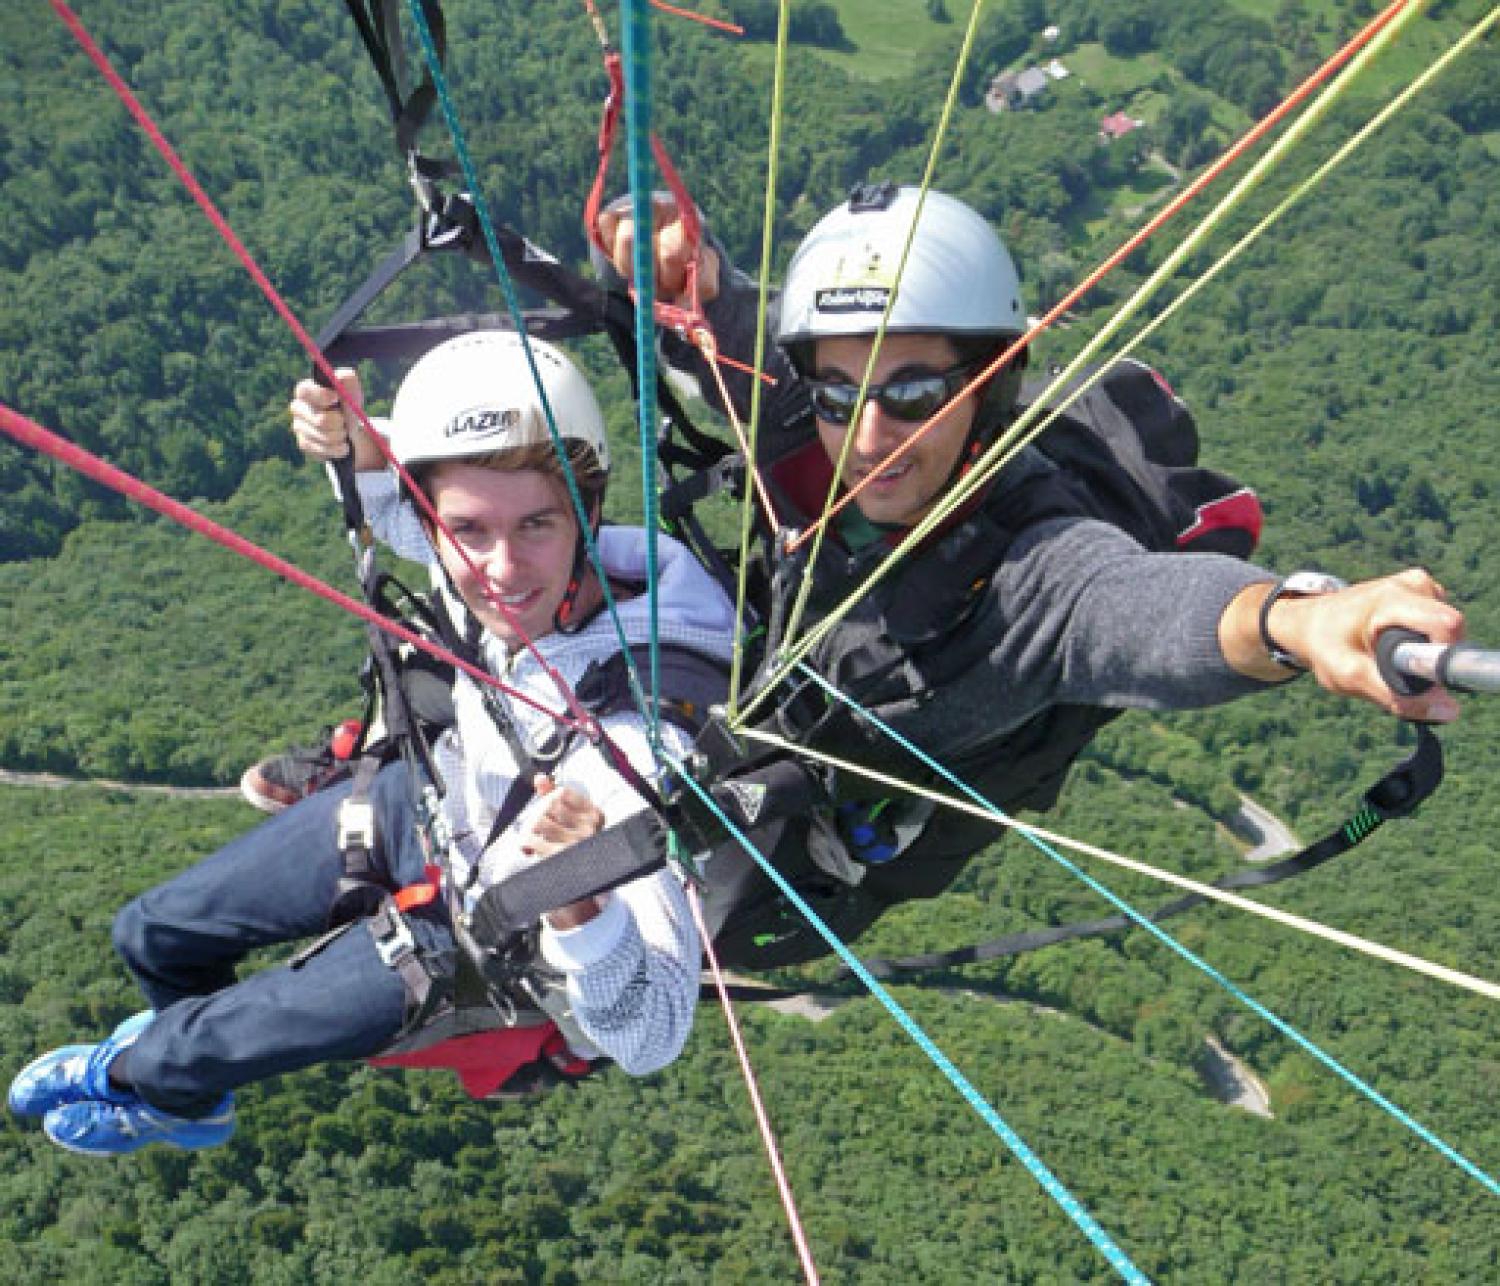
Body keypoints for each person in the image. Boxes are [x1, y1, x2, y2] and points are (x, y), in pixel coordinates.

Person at [593, 182, 1465, 966]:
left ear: (987, 387)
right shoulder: (829, 427)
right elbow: (737, 340)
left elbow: (1141, 613)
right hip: (750, 709)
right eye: (839, 395)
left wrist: (1299, 621)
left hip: (795, 865)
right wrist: (681, 274)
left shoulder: (1034, 577)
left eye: (912, 396)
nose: (867, 438)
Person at [8, 331, 734, 1153]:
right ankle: (192, 1074)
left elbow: (652, 1034)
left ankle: (165, 1078)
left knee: (164, 1053)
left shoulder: (635, 739)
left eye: (537, 523)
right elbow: (400, 508)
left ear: (586, 511)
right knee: (150, 933)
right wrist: (356, 445)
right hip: (429, 804)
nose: (501, 568)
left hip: (471, 929)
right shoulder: (539, 560)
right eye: (468, 530)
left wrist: (581, 897)